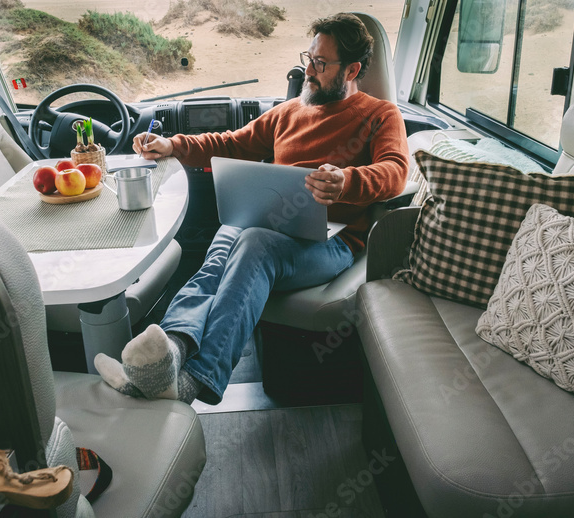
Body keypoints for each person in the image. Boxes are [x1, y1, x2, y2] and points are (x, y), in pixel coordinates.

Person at [94, 13, 409, 404]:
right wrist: (173, 145)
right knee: (225, 240)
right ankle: (170, 355)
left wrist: (348, 181)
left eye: (321, 64)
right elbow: (231, 143)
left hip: (331, 244)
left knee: (254, 242)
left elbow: (395, 171)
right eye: (308, 58)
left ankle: (196, 380)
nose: (308, 70)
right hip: (269, 226)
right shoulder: (289, 111)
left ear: (353, 70)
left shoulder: (380, 115)